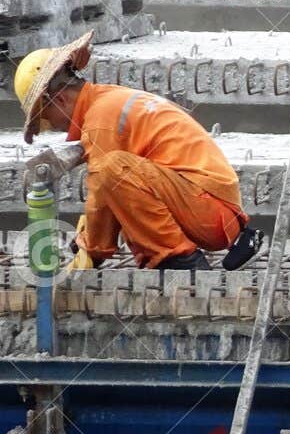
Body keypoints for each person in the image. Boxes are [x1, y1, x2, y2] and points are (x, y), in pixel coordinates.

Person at [13, 32, 261, 272]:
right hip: (214, 210)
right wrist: (87, 238)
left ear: (60, 100)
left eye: (45, 117)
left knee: (113, 168)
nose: (54, 126)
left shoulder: (101, 117)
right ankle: (170, 253)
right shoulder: (112, 99)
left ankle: (177, 259)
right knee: (115, 173)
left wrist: (91, 249)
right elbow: (118, 194)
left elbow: (102, 186)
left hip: (208, 211)